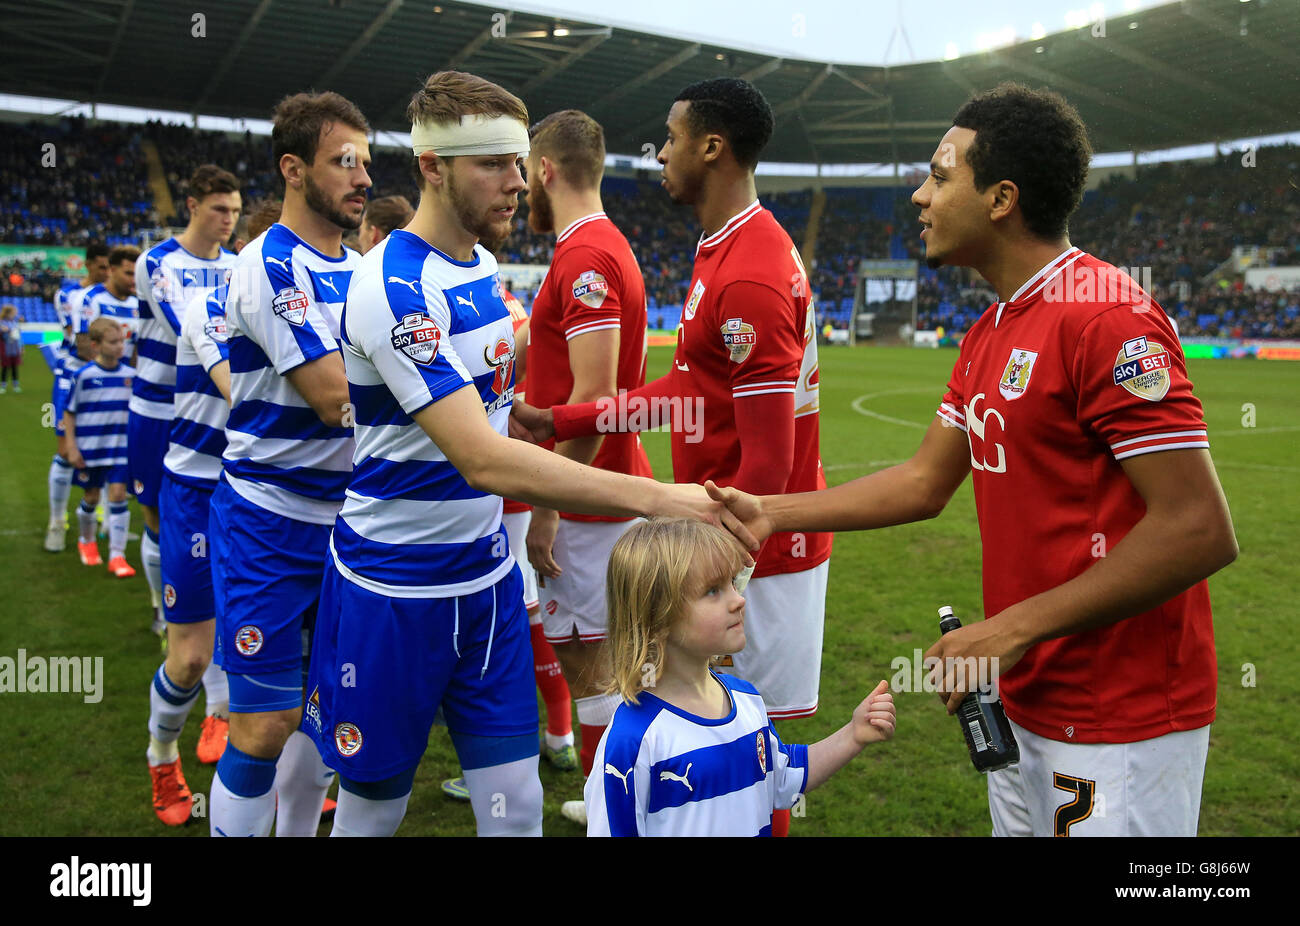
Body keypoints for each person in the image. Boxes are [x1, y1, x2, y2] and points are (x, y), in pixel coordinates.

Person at [710, 83, 1238, 837]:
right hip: (1024, 697)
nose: (921, 196)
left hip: (1118, 713)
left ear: (1001, 198)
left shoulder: (1108, 317)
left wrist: (1007, 630)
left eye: (940, 175)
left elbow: (1198, 528)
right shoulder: (991, 329)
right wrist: (770, 511)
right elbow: (925, 482)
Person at [303, 69, 739, 838]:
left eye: (518, 160)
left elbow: (488, 425)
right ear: (432, 167)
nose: (517, 180)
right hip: (394, 593)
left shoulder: (478, 267)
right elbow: (481, 460)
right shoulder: (393, 285)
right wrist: (671, 498)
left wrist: (527, 419)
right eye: (493, 163)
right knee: (375, 809)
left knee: (518, 809)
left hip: (488, 584)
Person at [513, 78, 831, 836]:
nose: (660, 151)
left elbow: (769, 466)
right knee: (710, 740)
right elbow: (687, 386)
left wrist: (714, 565)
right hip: (723, 530)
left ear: (711, 147)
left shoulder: (749, 269)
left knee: (758, 760)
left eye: (672, 136)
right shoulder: (723, 245)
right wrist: (566, 415)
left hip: (763, 549)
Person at [207, 91, 371, 838]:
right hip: (269, 527)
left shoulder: (364, 268)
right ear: (294, 170)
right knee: (265, 722)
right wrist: (463, 420)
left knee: (324, 711)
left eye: (367, 162)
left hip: (345, 527)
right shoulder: (269, 265)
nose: (362, 177)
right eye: (344, 162)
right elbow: (335, 396)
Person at [513, 109, 655, 823]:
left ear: (543, 170)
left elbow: (596, 399)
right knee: (597, 664)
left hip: (585, 506)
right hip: (599, 495)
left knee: (596, 669)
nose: (517, 188)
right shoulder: (599, 248)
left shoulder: (586, 258)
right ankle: (611, 800)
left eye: (521, 171)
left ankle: (614, 813)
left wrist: (547, 506)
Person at [586, 517, 895, 836]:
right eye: (712, 591)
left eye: (733, 583)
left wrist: (853, 734)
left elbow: (782, 779)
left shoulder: (747, 699)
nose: (739, 600)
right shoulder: (633, 741)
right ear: (657, 617)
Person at [145, 200, 281, 826]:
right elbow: (241, 392)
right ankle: (161, 754)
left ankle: (263, 765)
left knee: (263, 649)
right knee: (194, 655)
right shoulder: (208, 307)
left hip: (256, 493)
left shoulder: (298, 305)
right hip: (195, 489)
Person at [133, 165, 241, 641]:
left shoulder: (238, 267)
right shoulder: (156, 263)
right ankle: (163, 606)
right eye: (220, 209)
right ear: (193, 206)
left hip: (213, 412)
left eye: (235, 211)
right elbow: (190, 331)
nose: (229, 220)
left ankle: (199, 615)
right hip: (157, 408)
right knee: (156, 512)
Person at [62, 317, 136, 577]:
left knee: (117, 495)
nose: (120, 347)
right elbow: (69, 413)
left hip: (119, 449)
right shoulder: (83, 376)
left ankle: (118, 555)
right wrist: (71, 446)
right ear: (95, 345)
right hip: (90, 449)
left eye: (122, 342)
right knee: (91, 498)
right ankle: (87, 541)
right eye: (113, 342)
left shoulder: (130, 376)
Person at [45, 331, 97, 552]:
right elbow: (81, 338)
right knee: (66, 452)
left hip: (113, 371)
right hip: (74, 370)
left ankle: (104, 515)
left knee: (106, 450)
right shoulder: (73, 296)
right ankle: (56, 522)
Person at [0, 304, 23, 392]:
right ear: (8, 313)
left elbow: (18, 336)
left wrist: (21, 347)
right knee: (5, 367)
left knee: (14, 367)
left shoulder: (14, 322)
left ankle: (15, 385)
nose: (15, 314)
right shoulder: (2, 322)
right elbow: (3, 332)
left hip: (14, 347)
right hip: (6, 347)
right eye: (13, 312)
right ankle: (3, 385)